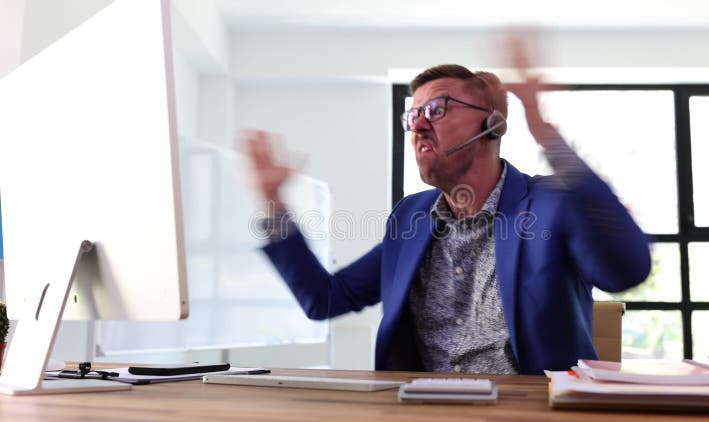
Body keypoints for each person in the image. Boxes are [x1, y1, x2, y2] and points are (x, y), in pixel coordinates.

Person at [245, 41, 651, 375]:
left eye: (436, 109)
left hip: (532, 410)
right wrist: (273, 202)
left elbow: (627, 270)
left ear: (491, 124)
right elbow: (325, 299)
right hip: (426, 409)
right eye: (413, 116)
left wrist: (546, 135)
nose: (419, 126)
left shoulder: (550, 202)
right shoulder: (410, 217)